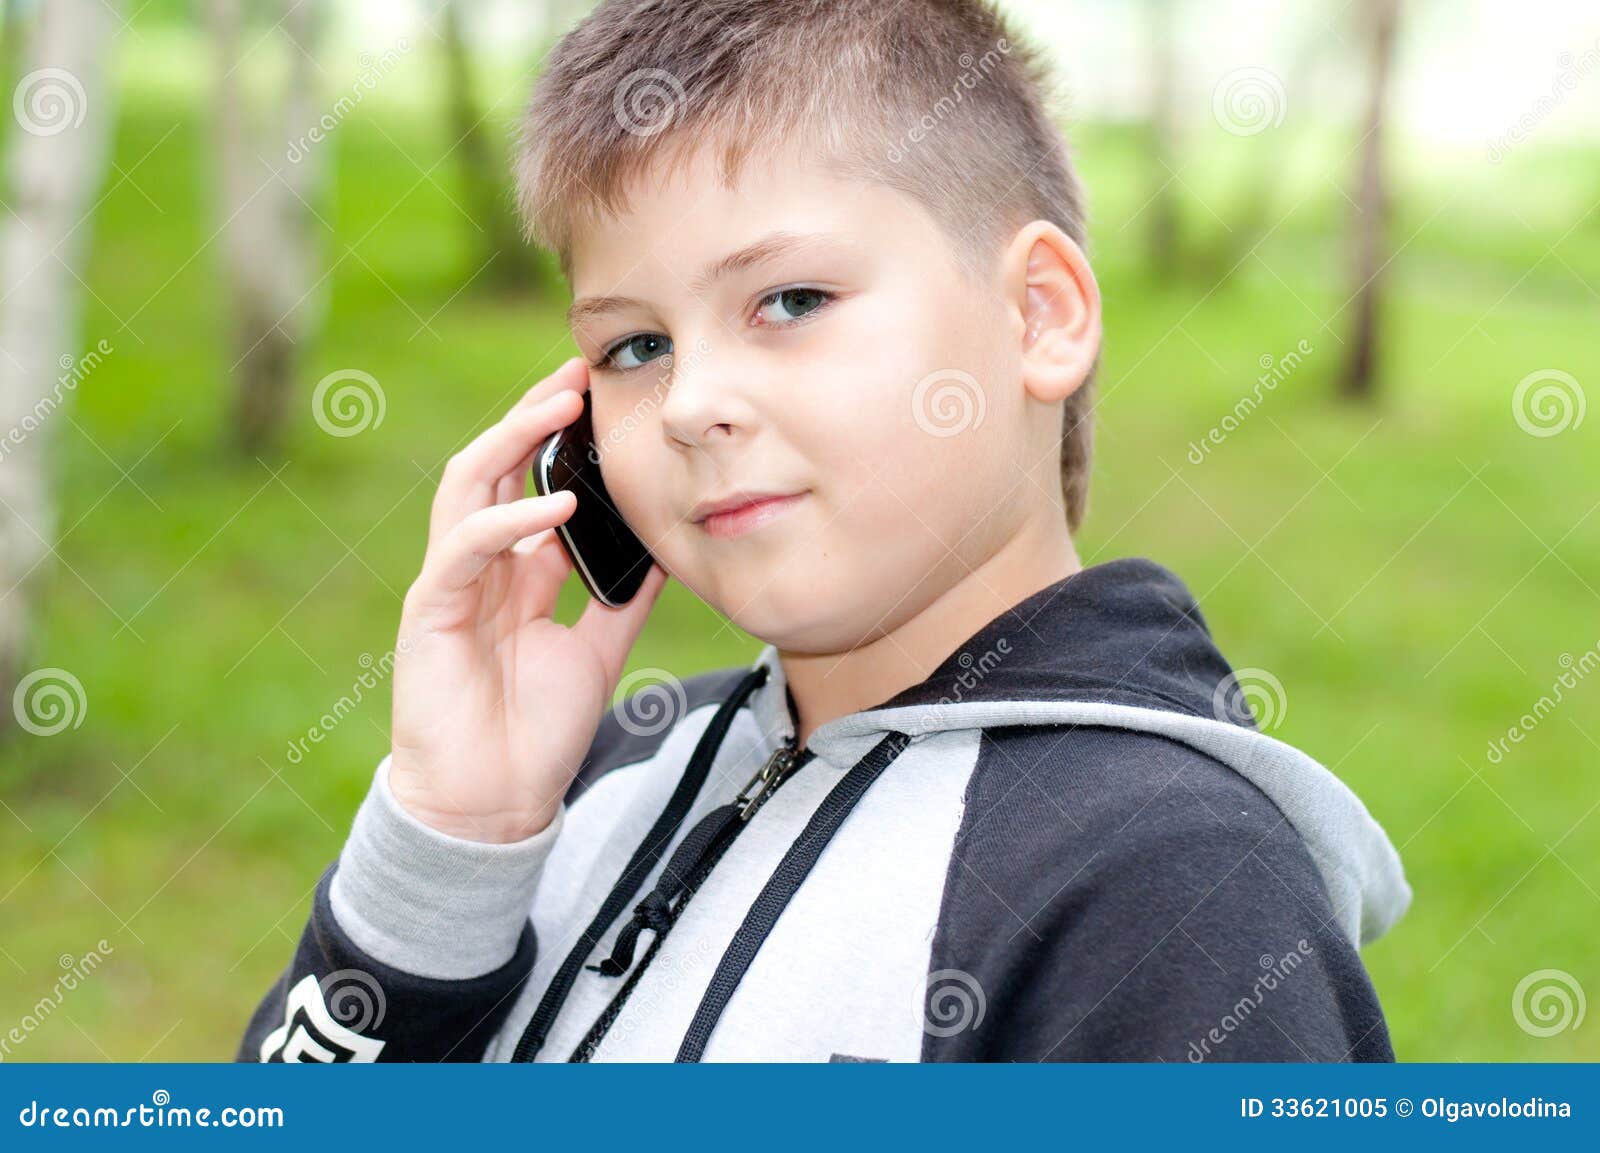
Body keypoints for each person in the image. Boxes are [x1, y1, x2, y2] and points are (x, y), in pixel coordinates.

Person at [239, 0, 1410, 1063]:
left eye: (789, 301)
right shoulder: (603, 780)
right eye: (636, 346)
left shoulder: (1168, 895)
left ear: (1037, 316)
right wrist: (449, 841)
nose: (693, 402)